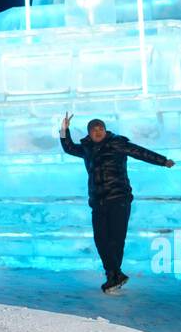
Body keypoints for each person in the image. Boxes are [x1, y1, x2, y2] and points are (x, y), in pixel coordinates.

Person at [60, 114, 174, 293]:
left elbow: (140, 152)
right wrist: (64, 130)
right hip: (98, 201)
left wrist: (163, 161)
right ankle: (115, 274)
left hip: (119, 199)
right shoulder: (87, 148)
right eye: (94, 129)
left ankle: (113, 277)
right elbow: (69, 148)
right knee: (101, 239)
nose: (98, 132)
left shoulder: (117, 143)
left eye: (100, 129)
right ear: (89, 133)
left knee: (116, 239)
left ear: (105, 130)